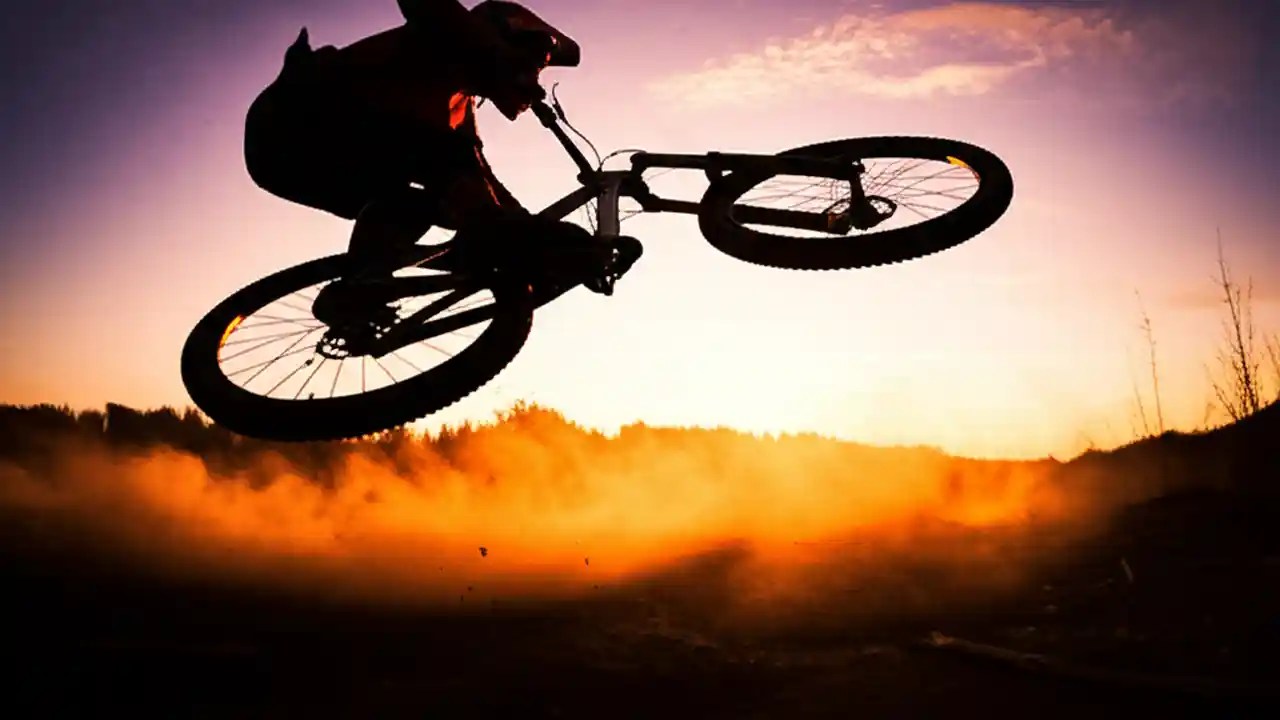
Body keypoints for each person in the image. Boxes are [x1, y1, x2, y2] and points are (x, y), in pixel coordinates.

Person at [243, 0, 637, 298]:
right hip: (291, 125)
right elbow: (431, 7)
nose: (533, 79)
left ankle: (362, 285)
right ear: (498, 41)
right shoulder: (440, 42)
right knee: (448, 169)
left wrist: (538, 232)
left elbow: (481, 180)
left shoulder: (457, 110)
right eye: (532, 62)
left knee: (434, 200)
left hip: (314, 156)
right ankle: (481, 243)